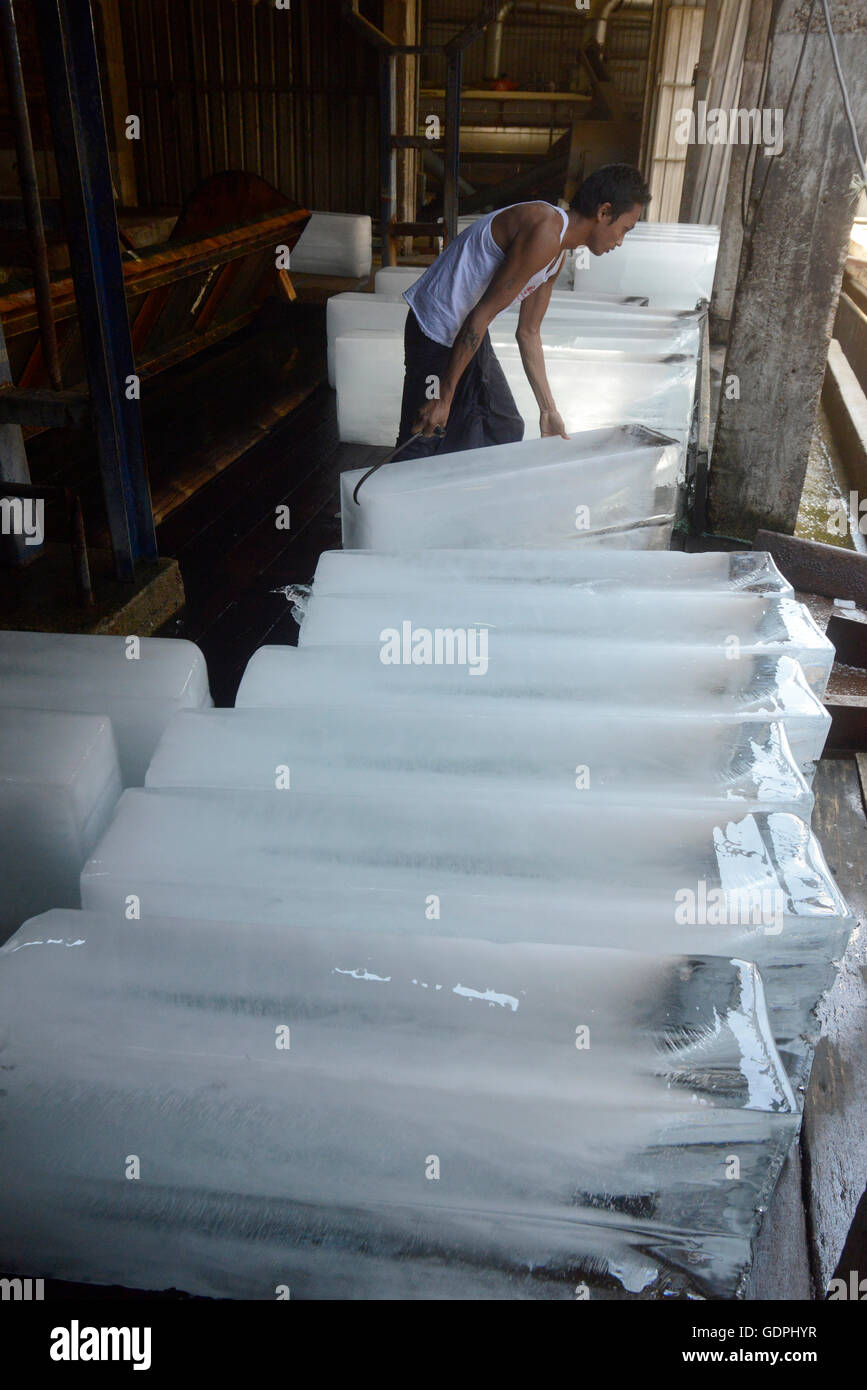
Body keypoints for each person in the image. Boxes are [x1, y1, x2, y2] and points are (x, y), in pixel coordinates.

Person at [395, 163, 651, 459]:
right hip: (434, 329)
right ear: (604, 212)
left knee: (502, 425)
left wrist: (548, 409)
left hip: (467, 331)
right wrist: (444, 396)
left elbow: (528, 333)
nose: (620, 241)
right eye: (625, 229)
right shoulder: (544, 230)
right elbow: (481, 315)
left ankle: (461, 492)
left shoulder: (556, 256)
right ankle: (390, 495)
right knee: (425, 430)